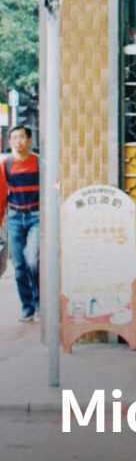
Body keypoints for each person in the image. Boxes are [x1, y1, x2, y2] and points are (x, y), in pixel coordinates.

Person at [0, 125, 40, 322]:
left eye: (22, 137)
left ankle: (39, 303)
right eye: (14, 138)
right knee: (18, 266)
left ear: (29, 140)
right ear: (10, 141)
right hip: (15, 218)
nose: (18, 141)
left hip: (36, 217)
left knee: (33, 260)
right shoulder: (6, 164)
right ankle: (27, 307)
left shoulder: (39, 163)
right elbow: (1, 195)